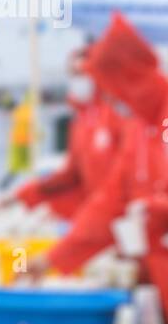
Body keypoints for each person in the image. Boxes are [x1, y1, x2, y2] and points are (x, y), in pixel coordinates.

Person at [26, 15, 168, 324]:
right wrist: (53, 258)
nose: (114, 100)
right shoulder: (140, 129)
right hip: (167, 280)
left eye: (116, 89)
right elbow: (110, 201)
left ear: (133, 77)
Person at [12, 50, 123, 219]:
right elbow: (71, 174)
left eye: (83, 73)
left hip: (117, 210)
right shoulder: (79, 122)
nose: (79, 80)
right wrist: (24, 195)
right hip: (96, 211)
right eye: (74, 74)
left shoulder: (117, 114)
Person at [7, 91, 36, 177]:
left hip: (16, 141)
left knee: (15, 168)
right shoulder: (31, 112)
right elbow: (31, 126)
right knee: (28, 168)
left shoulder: (18, 110)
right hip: (25, 142)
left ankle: (4, 186)